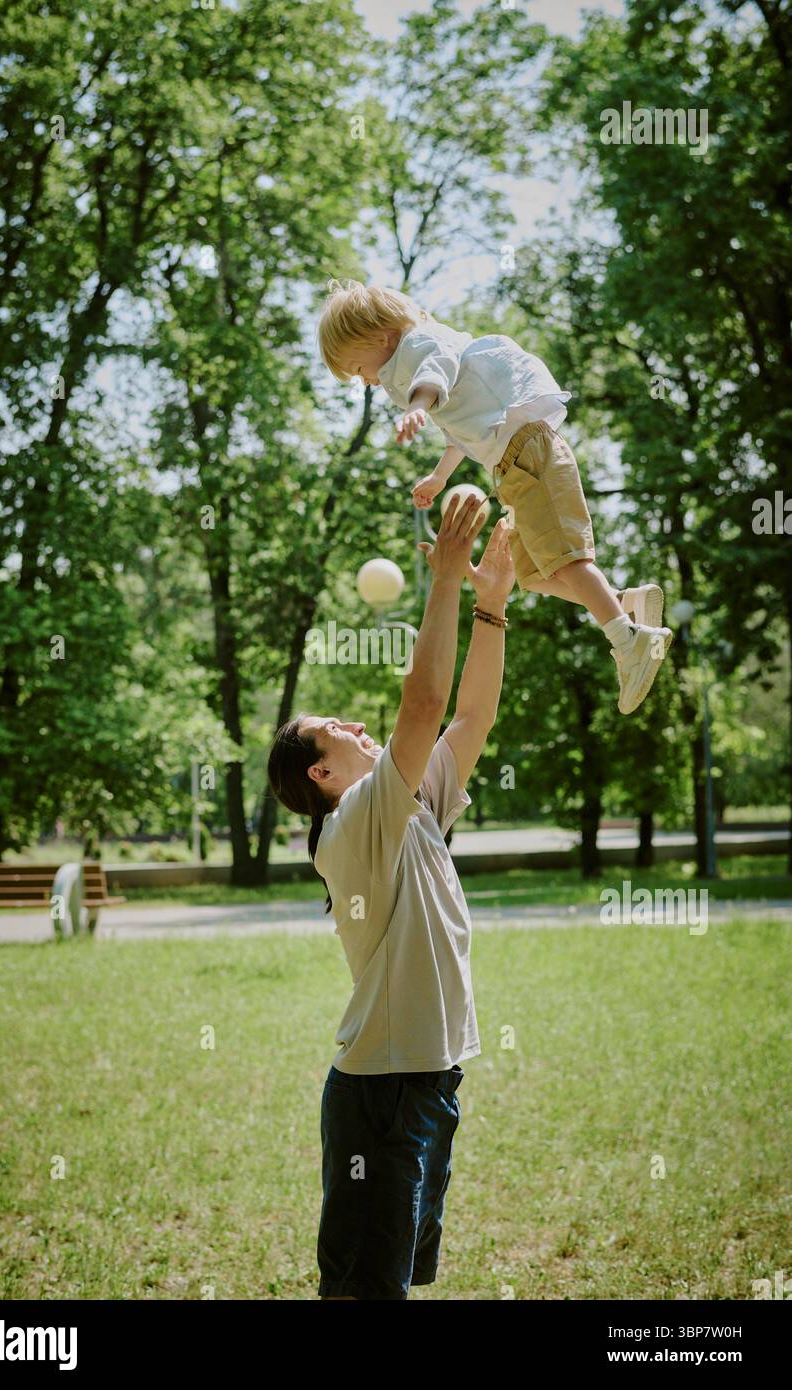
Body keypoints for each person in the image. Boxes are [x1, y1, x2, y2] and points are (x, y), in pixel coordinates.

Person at [267, 494, 514, 1300]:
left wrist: (492, 606)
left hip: (430, 1081)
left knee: (393, 1277)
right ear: (321, 774)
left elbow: (470, 715)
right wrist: (445, 580)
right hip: (383, 1093)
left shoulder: (403, 806)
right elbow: (424, 704)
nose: (351, 722)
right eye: (332, 726)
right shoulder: (354, 824)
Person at [317, 278, 673, 715]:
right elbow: (460, 435)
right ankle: (622, 602)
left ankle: (628, 639)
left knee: (567, 560)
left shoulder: (419, 346)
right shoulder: (426, 373)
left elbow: (435, 369)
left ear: (380, 337)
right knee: (534, 574)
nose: (365, 381)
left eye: (357, 368)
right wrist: (439, 476)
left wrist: (416, 405)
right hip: (510, 466)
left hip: (528, 450)